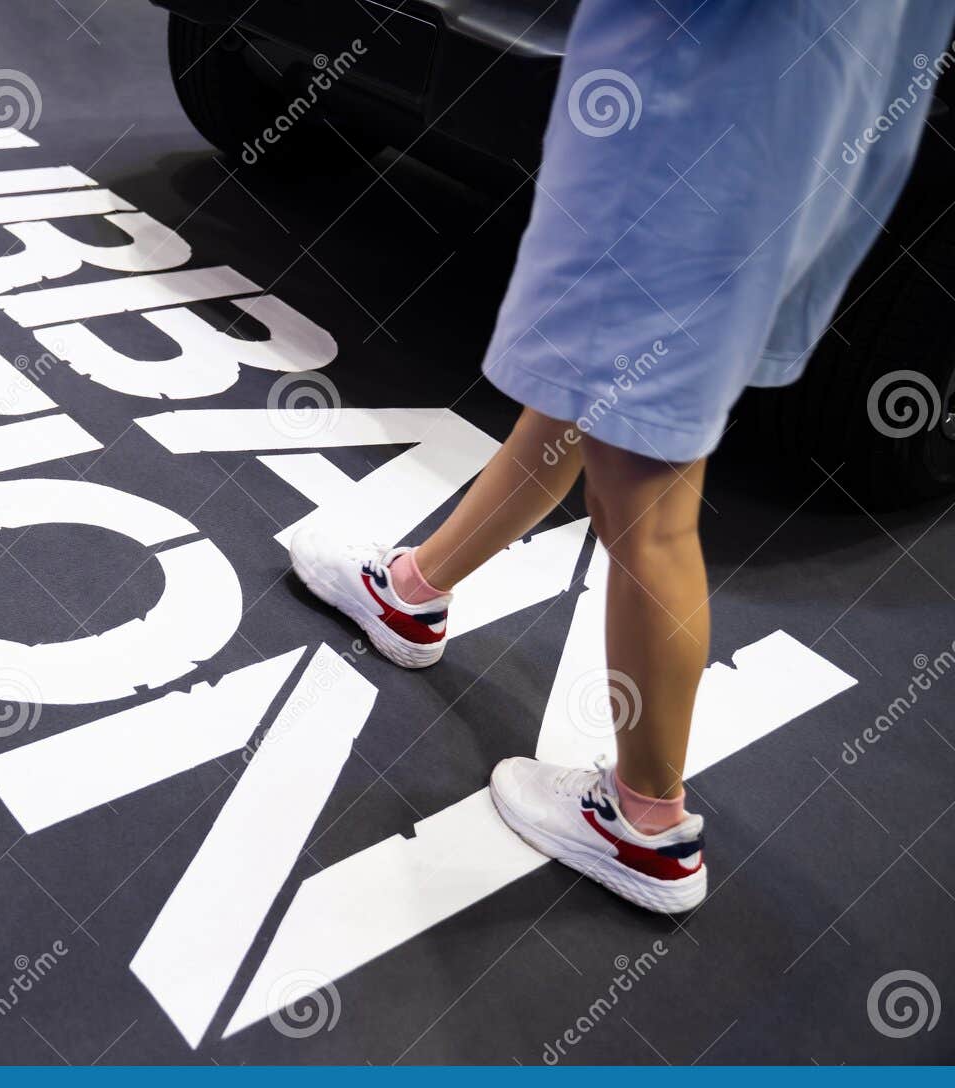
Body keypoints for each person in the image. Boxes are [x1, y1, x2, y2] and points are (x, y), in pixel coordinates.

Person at [291, 0, 955, 914]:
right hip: (787, 141)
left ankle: (646, 828)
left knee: (645, 495)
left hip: (689, 139)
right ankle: (413, 592)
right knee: (583, 394)